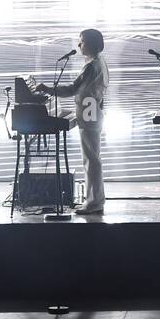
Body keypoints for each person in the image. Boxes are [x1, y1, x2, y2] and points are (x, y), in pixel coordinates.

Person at [37, 29, 109, 215]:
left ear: (92, 44)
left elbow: (72, 89)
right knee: (93, 159)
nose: (79, 45)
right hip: (92, 111)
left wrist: (48, 89)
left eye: (82, 41)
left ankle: (93, 203)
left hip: (89, 113)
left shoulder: (92, 66)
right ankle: (94, 200)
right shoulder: (99, 63)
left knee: (91, 160)